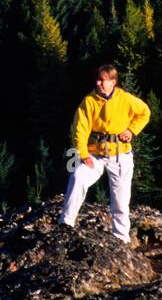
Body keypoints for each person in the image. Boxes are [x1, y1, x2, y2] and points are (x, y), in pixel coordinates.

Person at [60, 64, 150, 244]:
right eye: (97, 79)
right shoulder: (89, 101)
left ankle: (121, 239)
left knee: (120, 199)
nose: (99, 83)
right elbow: (79, 129)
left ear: (113, 82)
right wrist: (83, 153)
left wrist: (132, 130)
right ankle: (66, 224)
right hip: (95, 154)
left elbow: (144, 112)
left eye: (103, 80)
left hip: (120, 155)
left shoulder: (125, 99)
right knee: (78, 177)